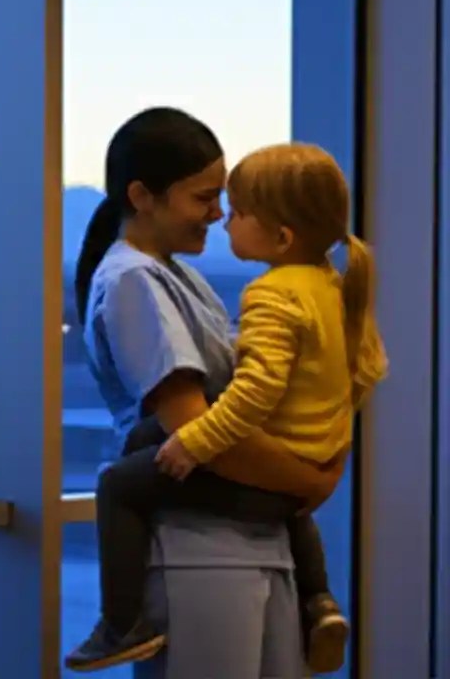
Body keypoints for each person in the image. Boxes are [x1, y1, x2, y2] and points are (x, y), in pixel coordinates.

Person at [63, 109, 357, 675]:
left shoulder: (180, 275)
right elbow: (194, 427)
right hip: (198, 554)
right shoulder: (131, 280)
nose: (219, 215)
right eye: (204, 198)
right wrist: (314, 477)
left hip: (247, 544)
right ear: (142, 196)